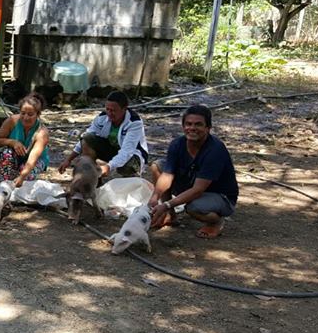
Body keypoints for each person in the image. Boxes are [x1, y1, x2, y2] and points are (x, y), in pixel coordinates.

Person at [148, 104, 239, 239]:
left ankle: (215, 222)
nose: (192, 128)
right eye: (188, 124)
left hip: (219, 195)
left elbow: (198, 190)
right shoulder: (177, 144)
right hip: (191, 183)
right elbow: (167, 175)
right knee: (158, 166)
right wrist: (155, 197)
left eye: (198, 124)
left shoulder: (215, 150)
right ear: (183, 126)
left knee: (194, 207)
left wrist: (166, 204)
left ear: (208, 128)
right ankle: (169, 214)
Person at [58, 91, 149, 179]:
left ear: (124, 109)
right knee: (87, 139)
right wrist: (68, 159)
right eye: (107, 109)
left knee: (126, 167)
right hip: (112, 150)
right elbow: (86, 137)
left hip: (132, 155)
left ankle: (130, 177)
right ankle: (90, 175)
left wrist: (109, 167)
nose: (109, 113)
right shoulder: (102, 118)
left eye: (113, 111)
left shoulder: (134, 123)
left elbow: (126, 152)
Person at [0, 93, 50, 187]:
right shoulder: (12, 121)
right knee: (7, 153)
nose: (26, 117)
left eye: (30, 114)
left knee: (26, 178)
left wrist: (22, 176)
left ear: (38, 114)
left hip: (35, 160)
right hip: (15, 155)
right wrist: (12, 142)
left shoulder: (42, 133)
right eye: (23, 113)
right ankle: (4, 184)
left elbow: (32, 159)